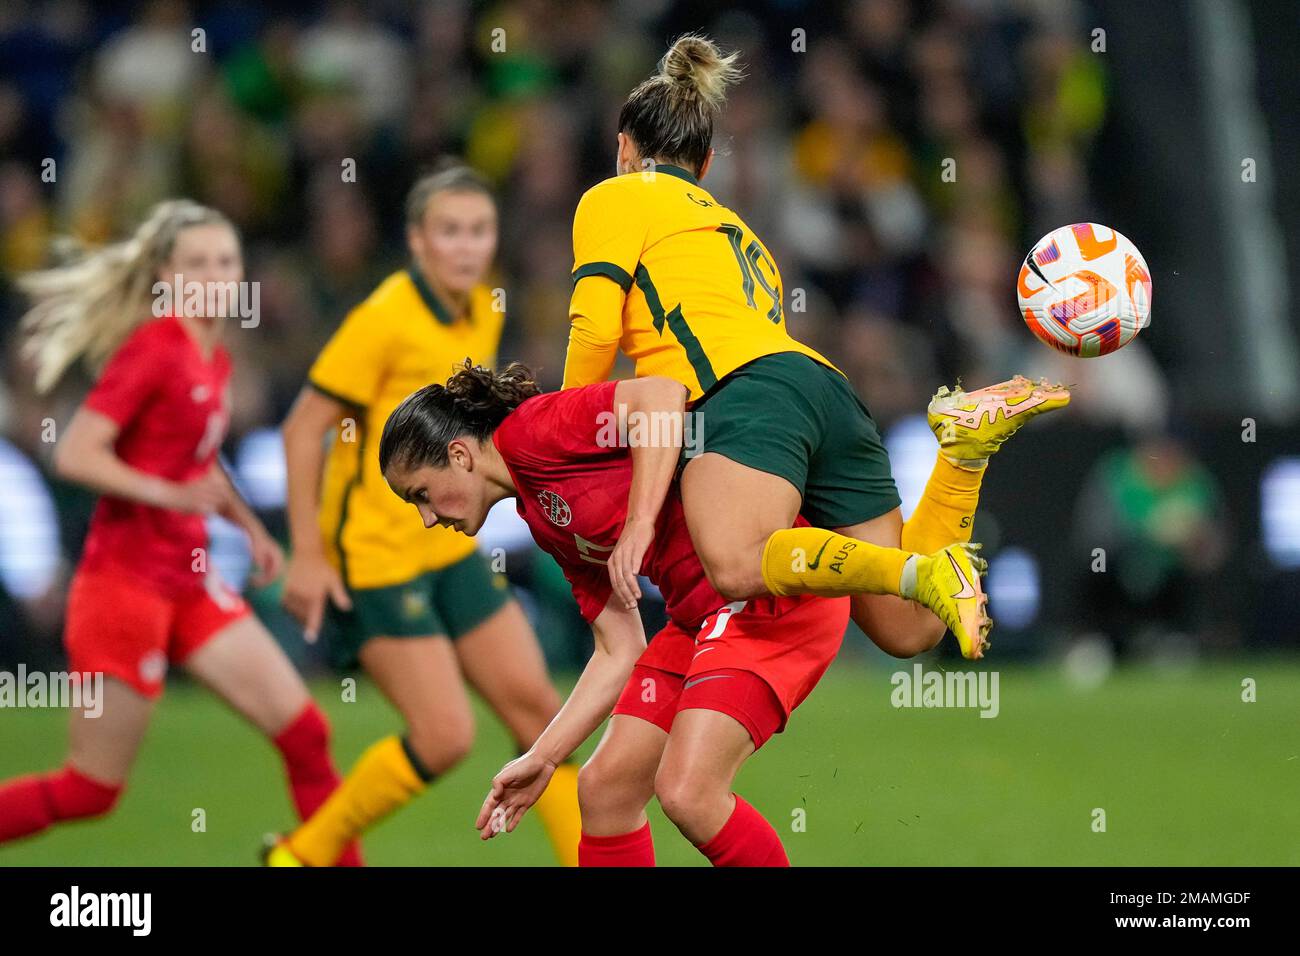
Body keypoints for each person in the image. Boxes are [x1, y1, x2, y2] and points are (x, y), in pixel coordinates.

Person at [377, 362, 1057, 866]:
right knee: (606, 789)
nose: (427, 515)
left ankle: (955, 482)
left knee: (688, 791)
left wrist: (642, 519)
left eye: (422, 494)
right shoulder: (538, 512)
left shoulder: (535, 433)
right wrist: (542, 756)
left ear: (459, 454)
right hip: (700, 617)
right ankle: (964, 453)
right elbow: (618, 649)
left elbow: (660, 395)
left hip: (764, 600)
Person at [561, 34, 1071, 659]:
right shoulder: (742, 235)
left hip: (741, 397)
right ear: (706, 167)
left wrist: (569, 434)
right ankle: (962, 456)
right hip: (821, 387)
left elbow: (593, 328)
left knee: (737, 560)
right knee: (907, 630)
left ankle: (922, 572)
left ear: (623, 148)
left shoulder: (616, 194)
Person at [0, 200, 358, 864]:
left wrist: (249, 527)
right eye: (197, 263)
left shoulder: (210, 354)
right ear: (166, 274)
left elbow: (194, 460)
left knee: (306, 733)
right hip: (124, 587)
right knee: (90, 791)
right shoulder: (155, 350)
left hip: (188, 582)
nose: (216, 275)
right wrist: (171, 494)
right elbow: (76, 452)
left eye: (226, 262)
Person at [270, 163, 581, 866]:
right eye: (449, 231)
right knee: (445, 736)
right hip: (377, 554)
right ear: (417, 241)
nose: (466, 247)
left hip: (446, 546)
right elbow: (300, 429)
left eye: (479, 230)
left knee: (538, 710)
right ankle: (301, 856)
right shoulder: (382, 319)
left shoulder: (484, 307)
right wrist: (309, 555)